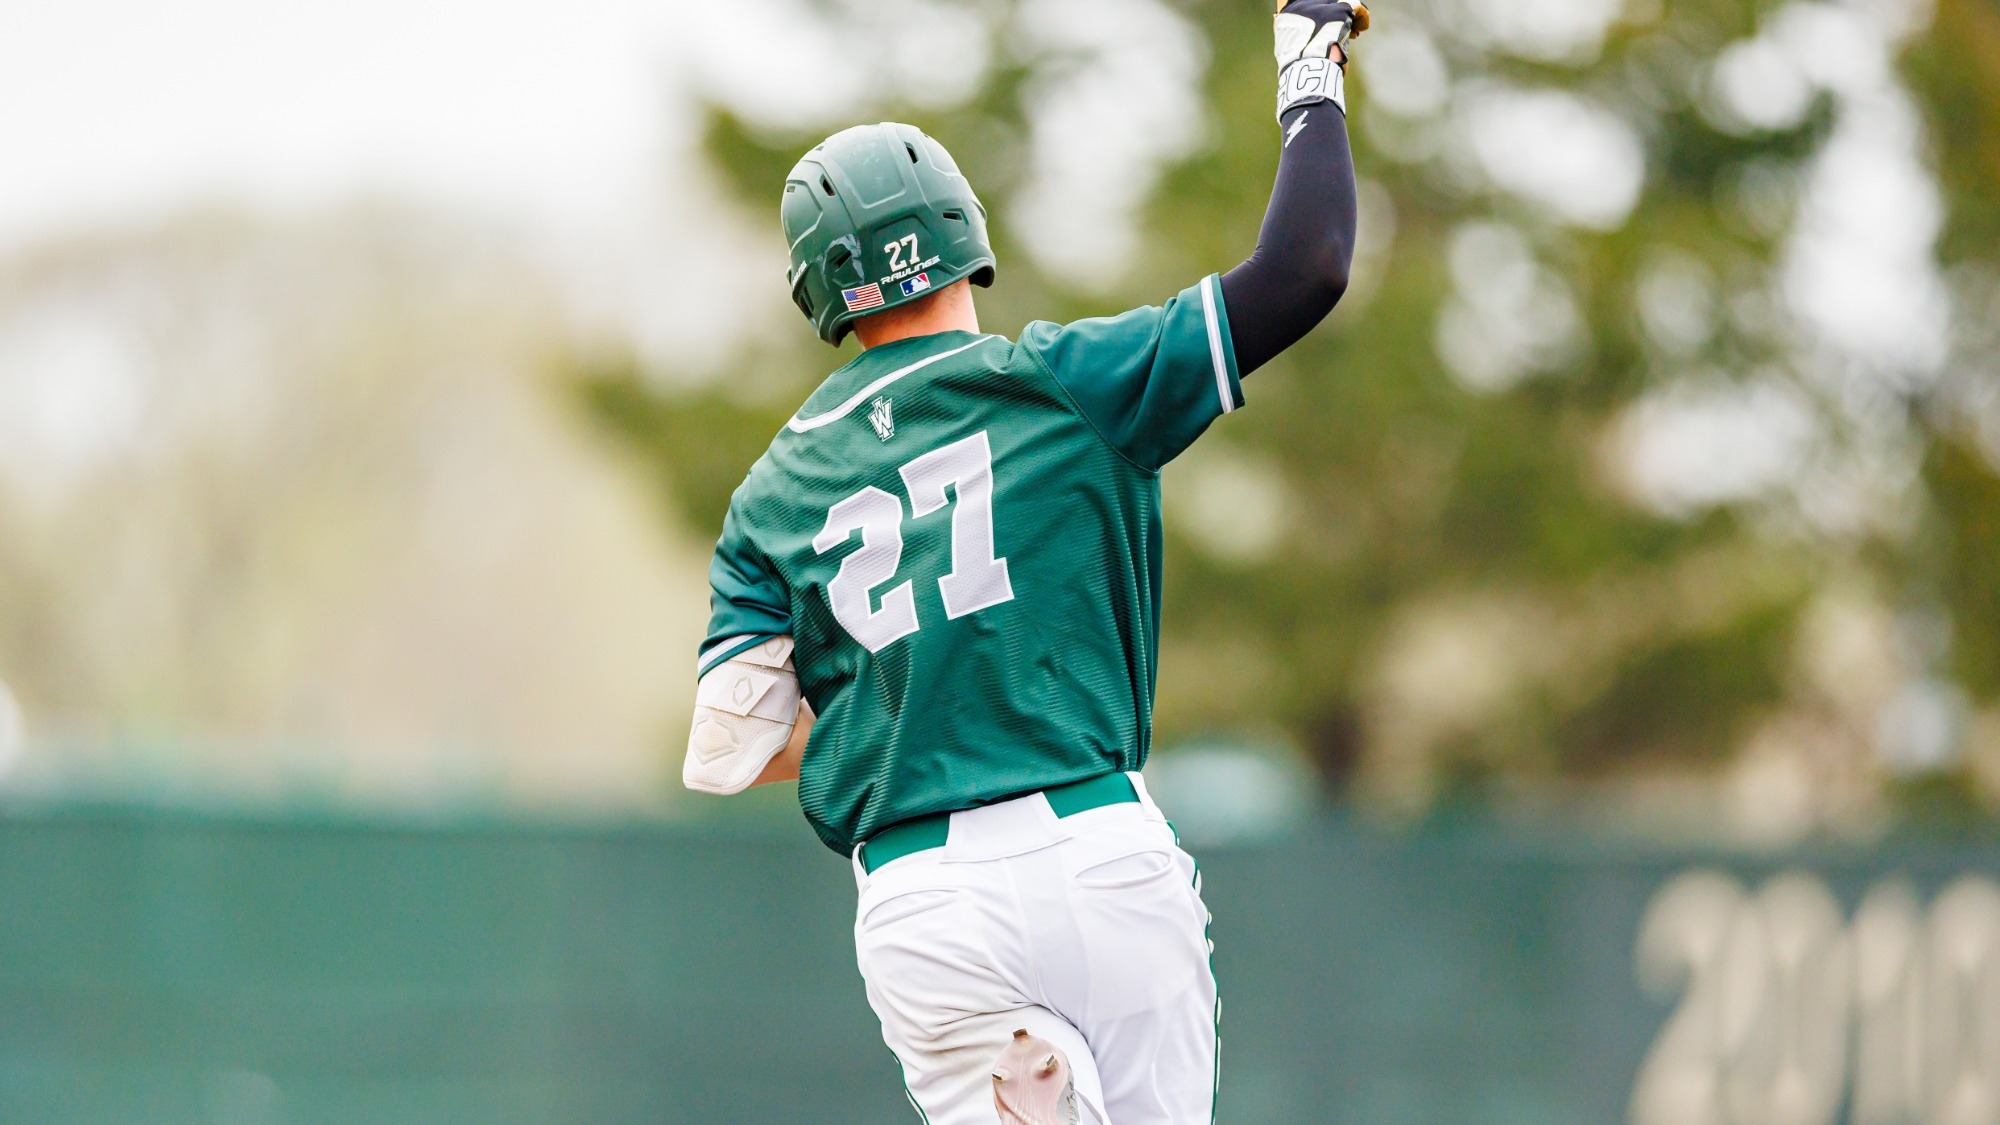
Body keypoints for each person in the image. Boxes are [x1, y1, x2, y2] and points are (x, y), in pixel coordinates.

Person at [682, 3, 1365, 1121]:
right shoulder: (1062, 384)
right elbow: (1309, 266)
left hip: (923, 896)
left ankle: (1031, 1088)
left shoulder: (774, 492)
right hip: (1096, 849)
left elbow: (729, 749)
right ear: (963, 233)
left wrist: (902, 711)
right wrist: (1310, 60)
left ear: (818, 292)